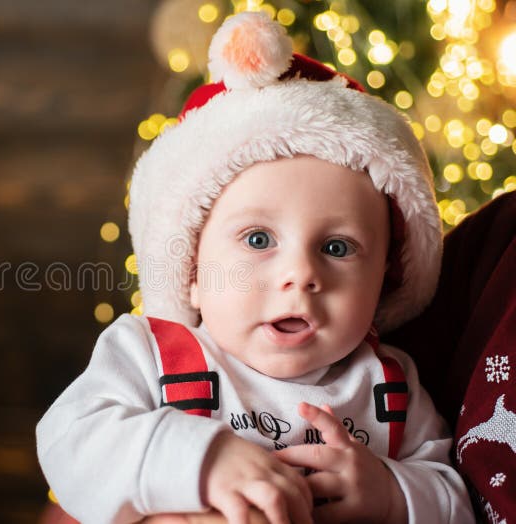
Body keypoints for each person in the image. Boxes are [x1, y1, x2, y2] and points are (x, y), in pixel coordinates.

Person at [36, 11, 474, 524]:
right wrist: (204, 459)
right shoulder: (154, 356)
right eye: (259, 239)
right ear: (193, 273)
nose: (300, 275)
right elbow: (70, 442)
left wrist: (394, 494)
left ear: (383, 277)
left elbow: (457, 500)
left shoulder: (389, 385)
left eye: (337, 247)